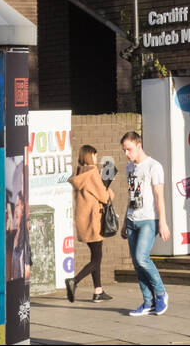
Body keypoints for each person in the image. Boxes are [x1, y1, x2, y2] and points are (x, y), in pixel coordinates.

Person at [121, 130, 170, 316]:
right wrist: (126, 220)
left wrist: (163, 222)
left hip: (149, 220)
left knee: (142, 257)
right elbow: (131, 195)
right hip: (133, 219)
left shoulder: (154, 166)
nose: (127, 153)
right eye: (124, 150)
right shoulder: (129, 168)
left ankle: (161, 293)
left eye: (129, 149)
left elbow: (159, 196)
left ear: (139, 145)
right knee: (136, 262)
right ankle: (148, 302)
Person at [67, 144, 114, 303]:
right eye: (95, 155)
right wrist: (110, 190)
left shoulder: (78, 173)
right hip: (94, 221)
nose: (96, 158)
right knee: (96, 259)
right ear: (89, 156)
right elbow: (105, 197)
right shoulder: (92, 173)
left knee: (95, 256)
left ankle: (98, 291)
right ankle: (74, 281)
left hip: (83, 221)